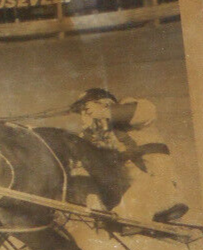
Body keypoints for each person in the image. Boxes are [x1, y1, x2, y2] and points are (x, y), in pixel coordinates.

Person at [69, 88, 188, 223]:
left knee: (123, 215)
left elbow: (145, 112)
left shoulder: (133, 115)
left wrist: (103, 112)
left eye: (86, 109)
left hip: (157, 184)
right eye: (82, 112)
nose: (85, 115)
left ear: (105, 102)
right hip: (129, 191)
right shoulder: (98, 136)